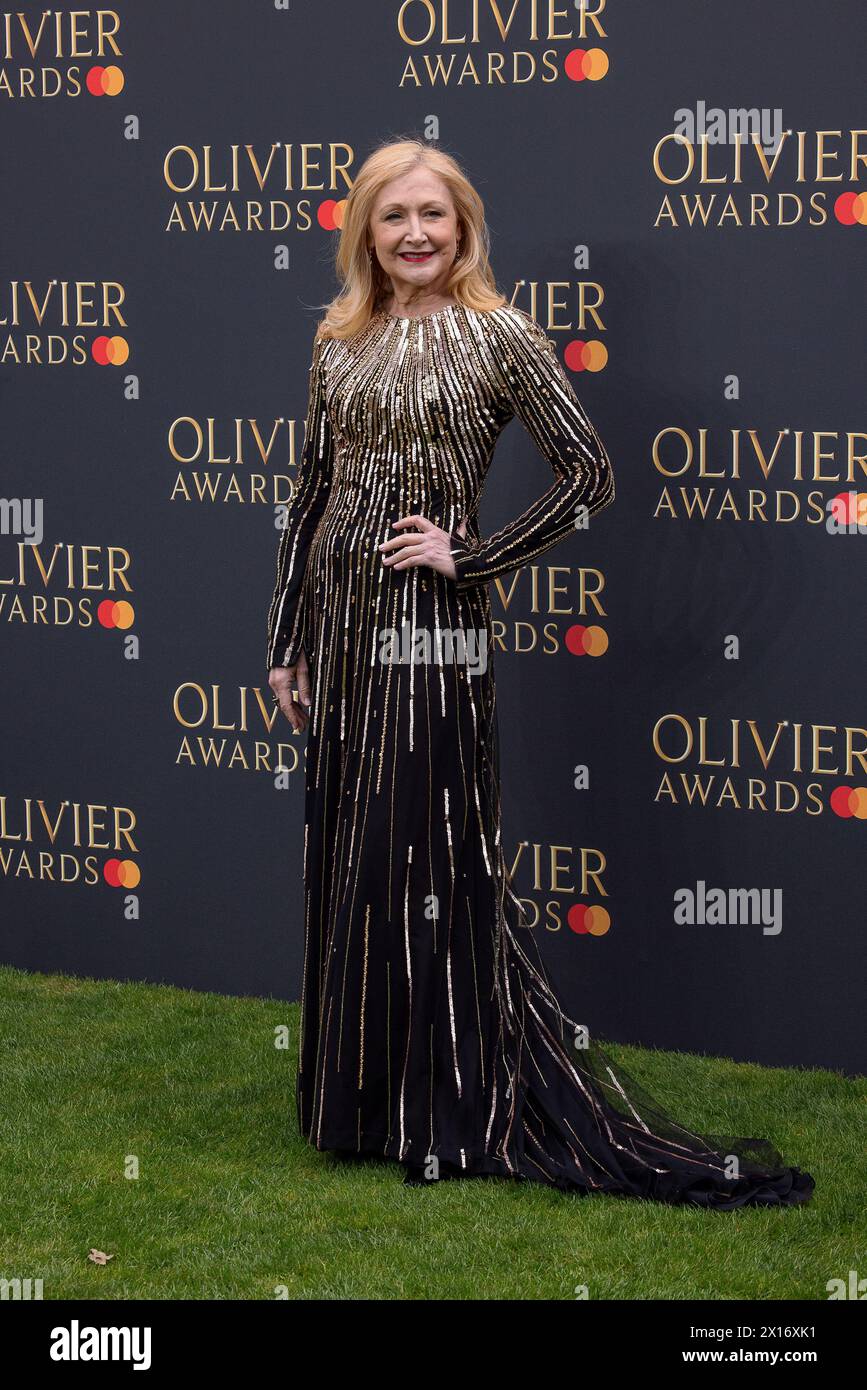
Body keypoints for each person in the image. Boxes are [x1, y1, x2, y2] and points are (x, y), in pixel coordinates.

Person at [266, 138, 815, 1209]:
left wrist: (471, 555)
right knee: (356, 860)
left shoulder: (500, 334)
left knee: (428, 855)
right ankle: (364, 1105)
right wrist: (287, 636)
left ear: (463, 225)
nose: (415, 233)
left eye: (434, 213)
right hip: (339, 631)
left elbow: (591, 475)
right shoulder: (340, 340)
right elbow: (309, 491)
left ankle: (452, 1103)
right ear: (364, 233)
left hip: (431, 628)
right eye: (394, 217)